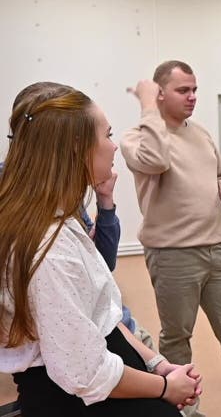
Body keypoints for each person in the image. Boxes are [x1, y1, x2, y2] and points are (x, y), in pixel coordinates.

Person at [0, 85, 201, 416]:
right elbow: (87, 373)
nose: (114, 146)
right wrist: (166, 387)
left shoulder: (62, 221)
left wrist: (157, 363)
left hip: (112, 365)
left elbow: (103, 311)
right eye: (107, 136)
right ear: (77, 150)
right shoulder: (47, 249)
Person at [120, 61, 221, 417]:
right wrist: (148, 107)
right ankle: (183, 412)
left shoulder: (202, 134)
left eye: (195, 89)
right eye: (183, 90)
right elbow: (157, 159)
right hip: (173, 254)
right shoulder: (136, 138)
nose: (193, 97)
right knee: (178, 337)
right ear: (160, 93)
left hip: (217, 248)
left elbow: (219, 173)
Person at [1, 81, 152, 347]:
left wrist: (106, 201)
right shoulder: (38, 230)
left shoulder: (64, 195)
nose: (114, 146)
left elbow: (103, 262)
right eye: (107, 135)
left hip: (110, 327)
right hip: (88, 341)